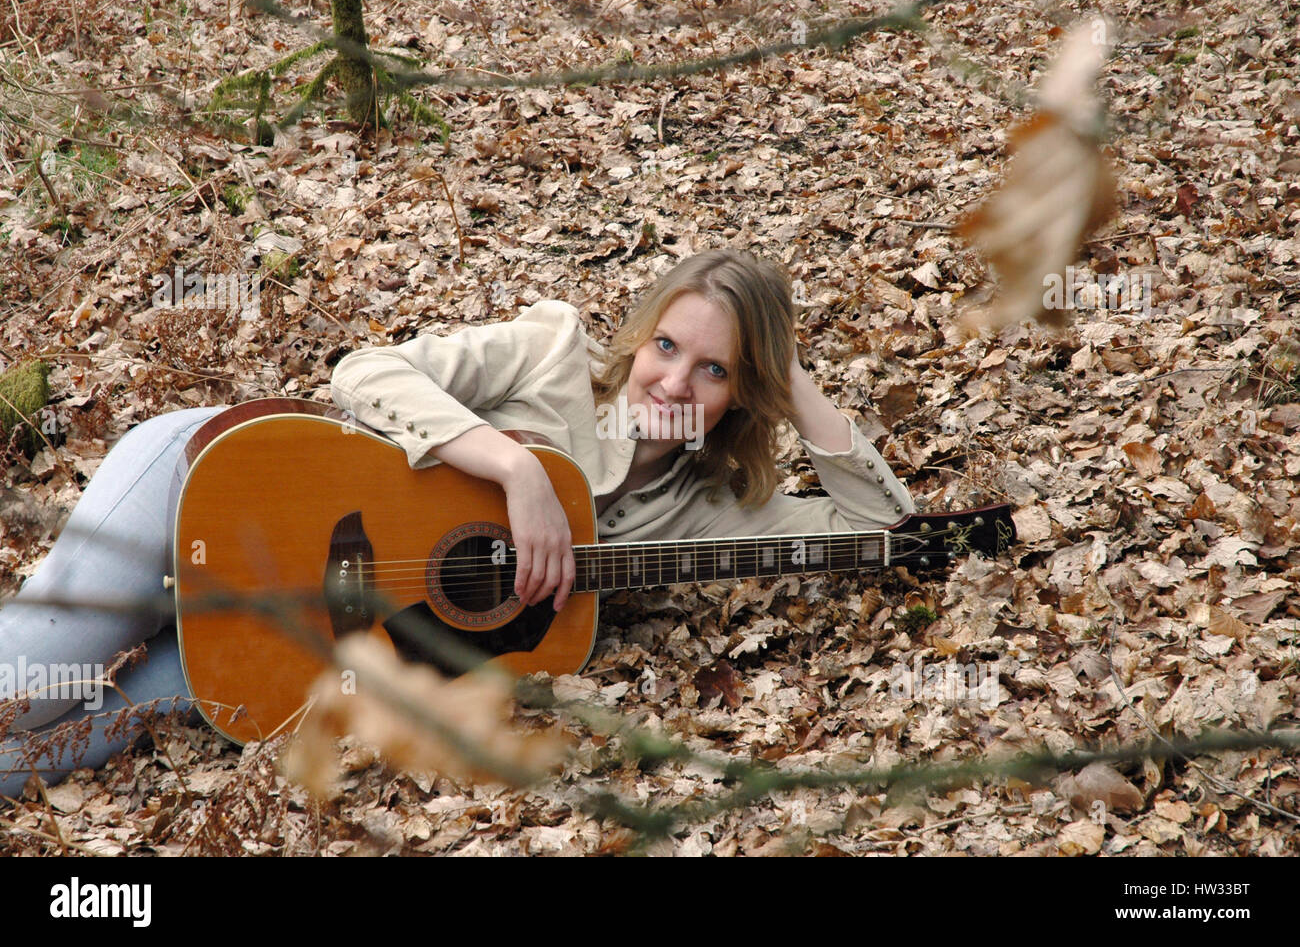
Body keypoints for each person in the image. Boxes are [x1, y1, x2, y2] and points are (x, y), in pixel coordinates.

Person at [0, 248, 913, 797]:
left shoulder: (706, 511)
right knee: (29, 683)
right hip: (212, 479)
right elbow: (363, 370)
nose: (674, 383)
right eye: (667, 347)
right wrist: (514, 466)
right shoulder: (550, 351)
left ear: (746, 391)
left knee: (53, 750)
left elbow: (889, 532)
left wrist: (789, 374)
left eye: (717, 371)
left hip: (305, 635)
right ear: (640, 338)